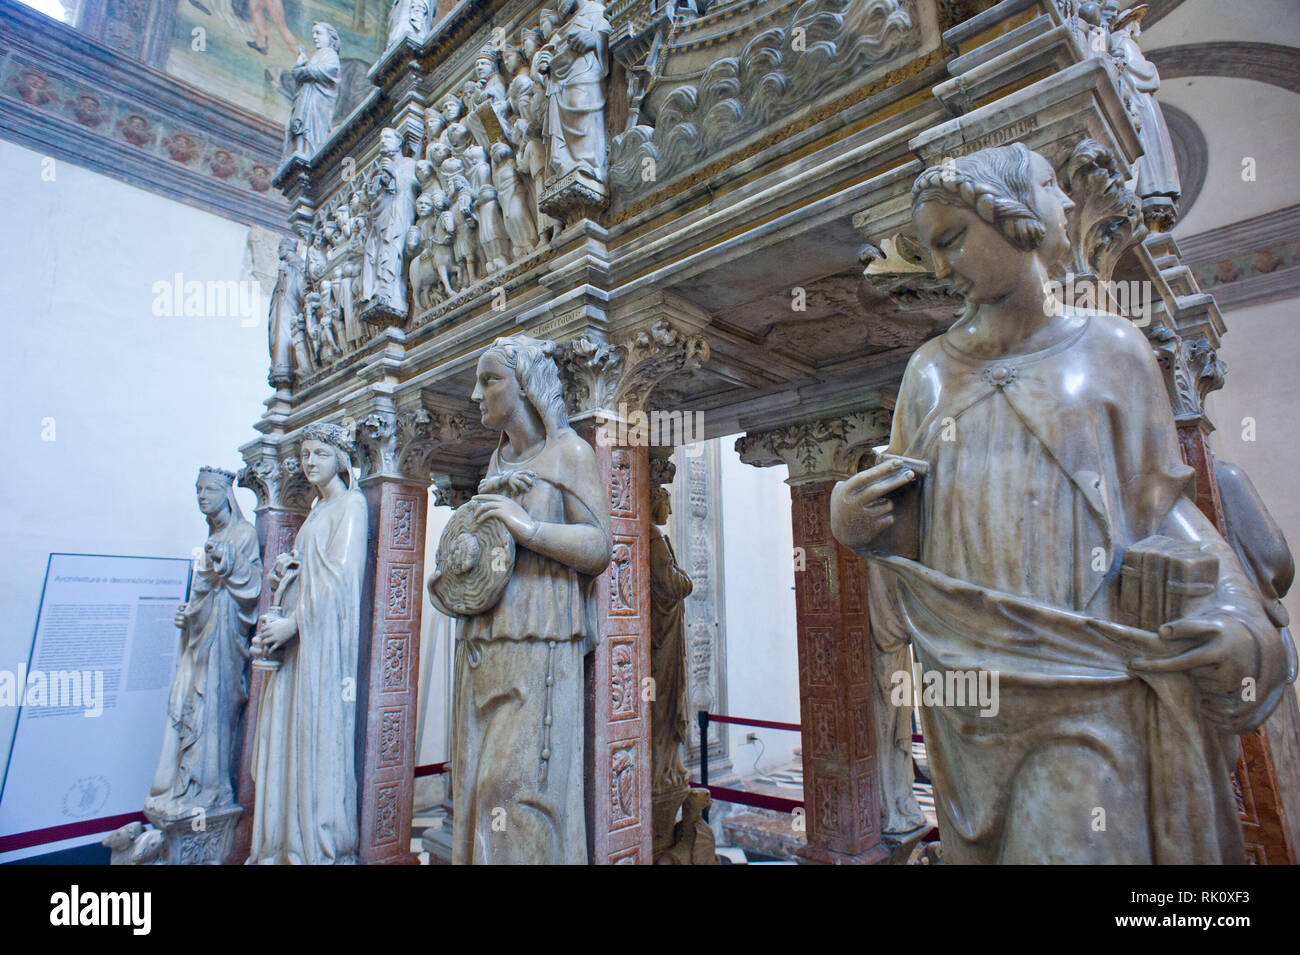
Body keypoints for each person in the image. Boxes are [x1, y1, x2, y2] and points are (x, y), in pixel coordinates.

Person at [830, 143, 1294, 864]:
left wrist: (1233, 613)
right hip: (965, 687)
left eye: (952, 240)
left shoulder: (1111, 349)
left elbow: (1160, 511)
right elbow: (915, 526)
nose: (943, 270)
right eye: (930, 252)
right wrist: (859, 526)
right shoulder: (928, 372)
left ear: (1013, 218)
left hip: (1087, 677)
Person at [433, 335, 611, 864]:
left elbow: (599, 546)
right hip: (484, 639)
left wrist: (529, 528)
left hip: (541, 636)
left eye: (489, 379)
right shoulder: (496, 460)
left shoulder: (570, 453)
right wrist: (452, 575)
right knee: (473, 788)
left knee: (509, 788)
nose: (475, 393)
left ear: (527, 387)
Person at [247, 423, 368, 864]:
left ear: (339, 456)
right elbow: (314, 569)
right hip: (298, 650)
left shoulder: (351, 506)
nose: (310, 463)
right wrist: (287, 570)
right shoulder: (318, 510)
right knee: (286, 737)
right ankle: (282, 843)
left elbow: (340, 581)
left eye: (319, 453)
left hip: (322, 649)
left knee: (317, 737)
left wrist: (295, 623)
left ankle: (317, 846)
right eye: (304, 457)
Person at [147, 468, 261, 816]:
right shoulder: (212, 535)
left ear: (227, 494)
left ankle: (211, 787)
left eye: (209, 490)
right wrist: (189, 616)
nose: (202, 496)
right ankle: (188, 786)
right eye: (198, 490)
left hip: (224, 638)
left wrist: (228, 563)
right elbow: (202, 594)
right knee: (192, 709)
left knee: (212, 706)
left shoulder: (242, 533)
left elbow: (252, 585)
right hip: (202, 637)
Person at [282, 22, 340, 164]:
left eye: (318, 33)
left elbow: (330, 70)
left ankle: (308, 153)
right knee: (299, 130)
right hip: (305, 101)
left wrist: (304, 70)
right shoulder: (316, 56)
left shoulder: (330, 54)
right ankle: (300, 151)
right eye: (313, 33)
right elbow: (299, 76)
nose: (314, 37)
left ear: (330, 37)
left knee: (312, 131)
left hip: (317, 103)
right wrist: (300, 65)